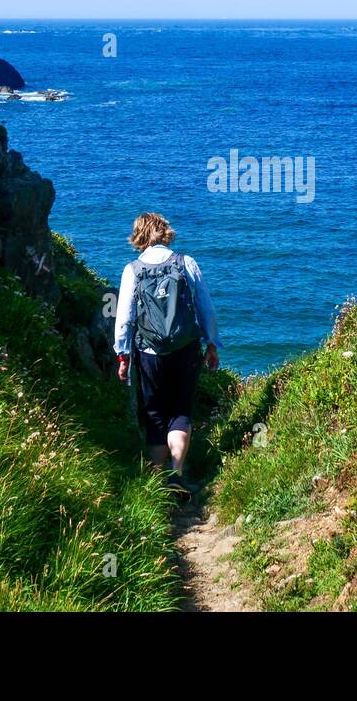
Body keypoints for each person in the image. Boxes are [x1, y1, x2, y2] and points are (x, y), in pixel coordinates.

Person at [114, 212, 220, 499]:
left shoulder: (132, 270)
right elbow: (205, 307)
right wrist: (211, 344)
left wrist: (122, 355)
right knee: (181, 409)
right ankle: (176, 473)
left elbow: (124, 317)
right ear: (165, 232)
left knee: (154, 412)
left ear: (139, 235)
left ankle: (157, 482)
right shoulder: (186, 263)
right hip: (185, 349)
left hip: (148, 352)